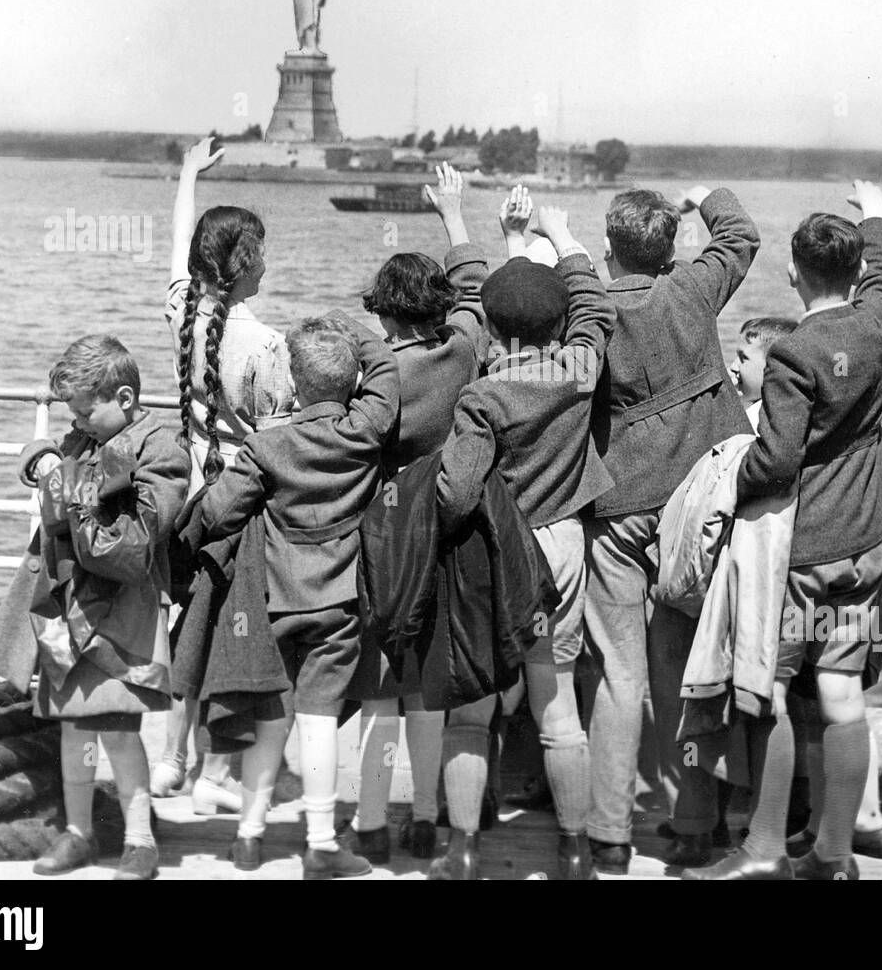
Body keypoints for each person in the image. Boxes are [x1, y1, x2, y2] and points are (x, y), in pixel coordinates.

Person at [729, 180, 882, 880]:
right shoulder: (879, 322)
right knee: (842, 698)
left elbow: (774, 459)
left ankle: (766, 849)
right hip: (866, 544)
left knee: (771, 691)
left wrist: (728, 484)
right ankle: (834, 856)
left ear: (793, 274)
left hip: (803, 549)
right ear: (857, 271)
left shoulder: (793, 353)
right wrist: (876, 213)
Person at [432, 204, 616, 880]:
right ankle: (574, 853)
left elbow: (454, 495)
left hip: (494, 555)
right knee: (557, 706)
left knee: (471, 710)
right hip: (563, 548)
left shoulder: (484, 397)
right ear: (556, 324)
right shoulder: (580, 370)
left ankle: (462, 853)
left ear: (494, 329)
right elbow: (596, 308)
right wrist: (561, 237)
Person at [584, 184, 760, 873]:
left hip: (619, 502)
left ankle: (608, 834)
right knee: (693, 667)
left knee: (618, 673)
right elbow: (740, 237)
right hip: (697, 504)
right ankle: (694, 826)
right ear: (671, 247)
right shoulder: (691, 289)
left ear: (608, 249)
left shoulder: (590, 309)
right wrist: (703, 198)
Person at [193, 312, 400, 879]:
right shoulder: (363, 433)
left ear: (293, 381)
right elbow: (386, 376)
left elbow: (215, 513)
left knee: (272, 720)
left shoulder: (267, 447)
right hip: (338, 605)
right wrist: (353, 329)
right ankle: (320, 844)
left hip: (272, 603)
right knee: (318, 721)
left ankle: (249, 837)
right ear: (351, 382)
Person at [348, 162, 496, 863]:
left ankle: (371, 823)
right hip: (445, 535)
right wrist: (455, 215)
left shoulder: (378, 380)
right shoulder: (465, 349)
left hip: (382, 539)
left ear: (382, 314)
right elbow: (473, 287)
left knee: (381, 685)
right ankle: (429, 816)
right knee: (430, 688)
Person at [151, 137, 296, 816]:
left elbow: (178, 243)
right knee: (232, 633)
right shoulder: (265, 346)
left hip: (187, 500)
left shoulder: (182, 314)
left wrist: (187, 173)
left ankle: (172, 757)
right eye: (261, 253)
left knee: (187, 626)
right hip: (238, 508)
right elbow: (280, 433)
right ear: (241, 267)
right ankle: (218, 770)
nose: (268, 264)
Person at [23, 336, 190, 880]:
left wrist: (65, 487)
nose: (78, 424)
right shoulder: (83, 436)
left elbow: (135, 544)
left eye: (84, 412)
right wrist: (44, 459)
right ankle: (78, 833)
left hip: (125, 610)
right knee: (74, 726)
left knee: (119, 725)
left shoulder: (161, 448)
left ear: (123, 396)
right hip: (67, 607)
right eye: (71, 415)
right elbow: (56, 475)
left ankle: (140, 841)